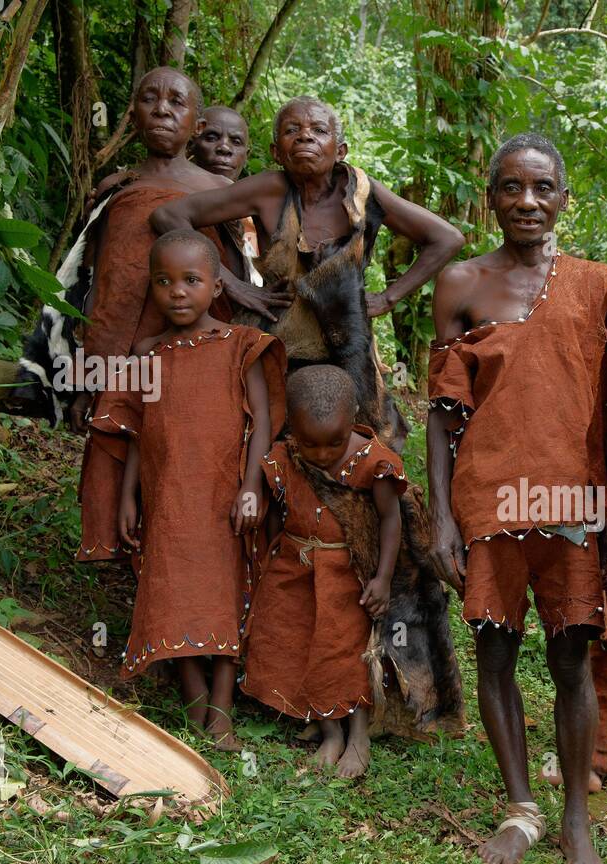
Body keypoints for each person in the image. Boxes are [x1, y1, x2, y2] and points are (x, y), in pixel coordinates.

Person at [428, 134, 607, 864]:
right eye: (511, 188)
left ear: (565, 197)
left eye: (543, 188)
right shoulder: (461, 284)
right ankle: (520, 809)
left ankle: (576, 817)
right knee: (496, 652)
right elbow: (446, 415)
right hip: (489, 501)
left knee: (571, 658)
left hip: (572, 500)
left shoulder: (603, 286)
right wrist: (441, 517)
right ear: (491, 198)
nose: (527, 202)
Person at [152, 96, 463, 445]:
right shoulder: (269, 189)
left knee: (358, 450)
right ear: (276, 151)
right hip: (277, 346)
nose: (305, 137)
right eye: (292, 130)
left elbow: (446, 238)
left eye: (319, 130)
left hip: (349, 349)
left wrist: (389, 297)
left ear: (340, 149)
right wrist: (232, 284)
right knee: (270, 446)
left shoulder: (363, 192)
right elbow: (169, 217)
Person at [114, 229, 285, 747]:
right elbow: (142, 433)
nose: (177, 292)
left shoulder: (240, 346)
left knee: (224, 593)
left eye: (191, 280)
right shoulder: (149, 353)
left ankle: (223, 712)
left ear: (217, 287)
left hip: (222, 497)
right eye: (163, 281)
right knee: (170, 589)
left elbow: (262, 423)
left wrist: (252, 485)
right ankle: (195, 704)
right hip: (166, 499)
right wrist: (127, 495)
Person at [74, 68, 234, 562]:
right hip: (121, 358)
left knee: (182, 459)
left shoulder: (220, 190)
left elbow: (232, 280)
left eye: (177, 102)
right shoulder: (114, 186)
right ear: (133, 113)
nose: (162, 110)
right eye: (149, 99)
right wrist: (86, 373)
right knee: (124, 450)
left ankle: (176, 578)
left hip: (194, 360)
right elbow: (95, 283)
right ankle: (130, 566)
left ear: (196, 122)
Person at [241, 364, 407, 779]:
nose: (322, 455)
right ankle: (329, 731)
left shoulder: (375, 464)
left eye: (333, 442)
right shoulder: (286, 457)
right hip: (294, 569)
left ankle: (358, 735)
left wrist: (382, 578)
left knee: (342, 651)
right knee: (295, 643)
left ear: (353, 419)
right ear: (292, 429)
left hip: (345, 574)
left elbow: (391, 520)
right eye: (309, 444)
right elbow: (278, 512)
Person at [188, 105, 261, 270]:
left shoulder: (255, 214)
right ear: (191, 145)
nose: (224, 148)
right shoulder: (172, 201)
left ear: (246, 156)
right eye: (212, 138)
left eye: (236, 142)